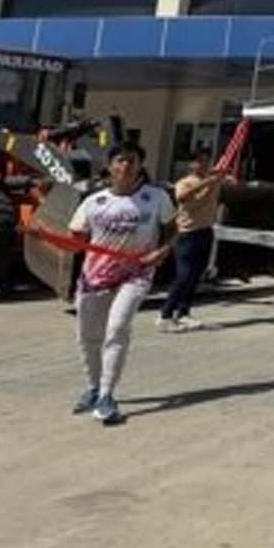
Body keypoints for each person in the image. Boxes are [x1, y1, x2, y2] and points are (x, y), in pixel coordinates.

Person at [68, 143, 173, 426]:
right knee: (88, 337)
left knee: (116, 328)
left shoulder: (156, 197)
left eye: (131, 161)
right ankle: (92, 388)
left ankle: (106, 395)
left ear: (140, 165)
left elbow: (174, 230)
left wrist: (161, 253)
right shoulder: (93, 202)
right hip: (95, 278)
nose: (125, 166)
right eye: (119, 161)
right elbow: (76, 236)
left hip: (135, 274)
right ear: (110, 166)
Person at [158, 147, 233, 331]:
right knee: (183, 276)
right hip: (187, 234)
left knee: (195, 276)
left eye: (207, 160)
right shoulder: (185, 182)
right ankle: (165, 314)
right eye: (199, 160)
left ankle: (184, 312)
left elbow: (228, 182)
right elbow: (183, 198)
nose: (203, 164)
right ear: (191, 164)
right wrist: (209, 181)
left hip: (206, 231)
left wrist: (221, 177)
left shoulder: (213, 179)